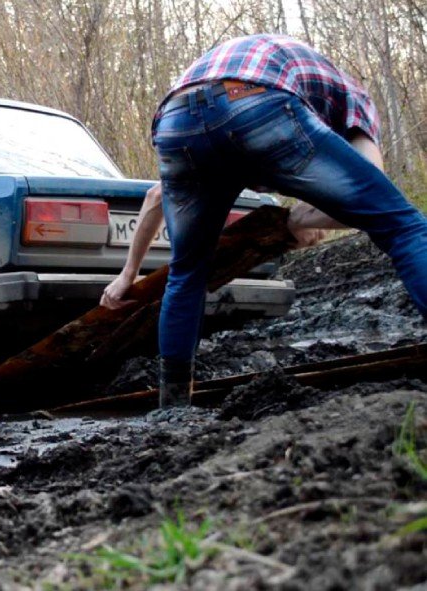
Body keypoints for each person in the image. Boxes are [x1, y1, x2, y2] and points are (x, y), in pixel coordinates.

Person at [104, 34, 427, 409]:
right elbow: (372, 197)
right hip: (256, 100)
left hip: (175, 120)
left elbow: (155, 196)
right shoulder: (357, 100)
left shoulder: (275, 76)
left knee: (187, 272)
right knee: (405, 225)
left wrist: (128, 273)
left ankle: (173, 405)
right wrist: (296, 219)